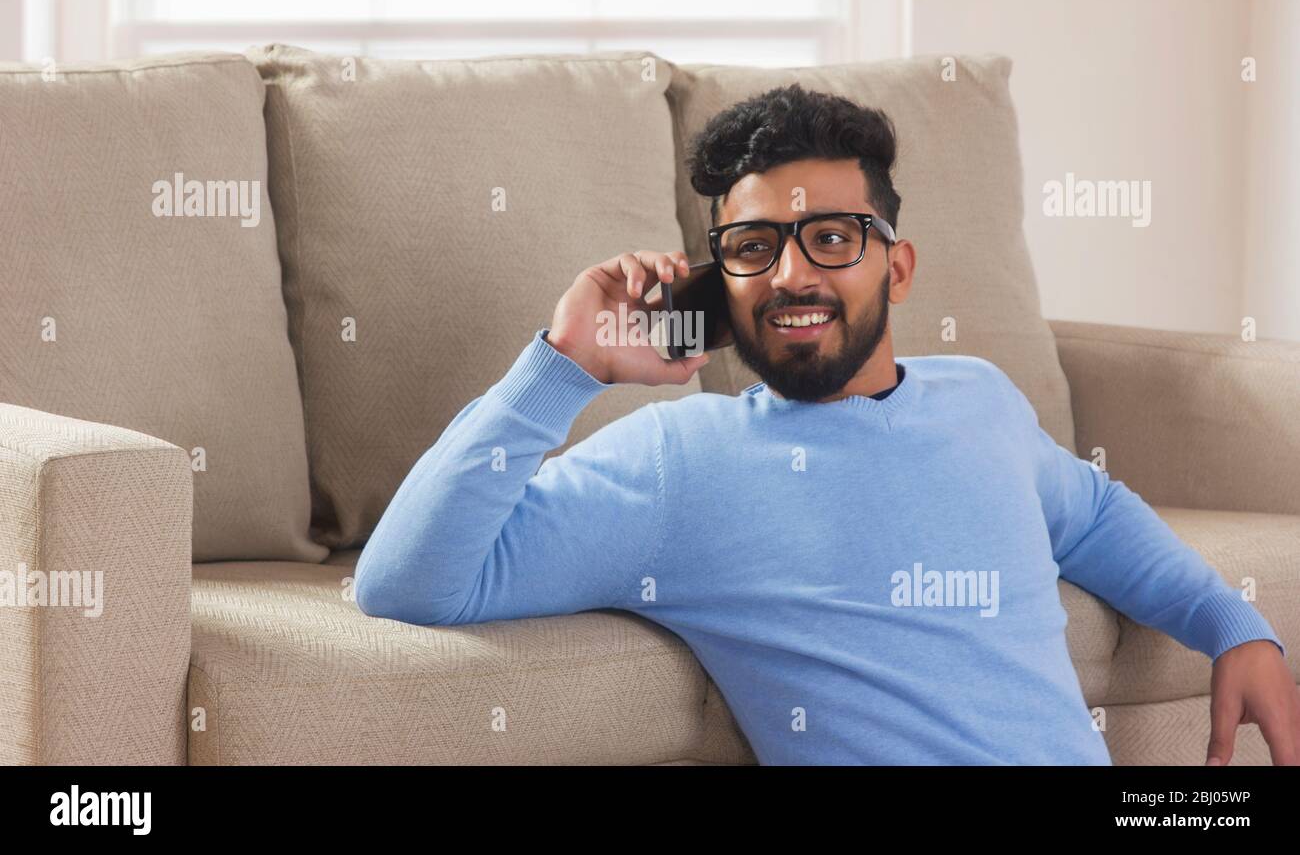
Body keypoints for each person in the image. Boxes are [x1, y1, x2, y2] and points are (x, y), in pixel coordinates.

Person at [354, 83, 1297, 765]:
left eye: (833, 238)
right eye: (753, 246)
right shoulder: (679, 460)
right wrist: (564, 365)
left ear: (899, 266)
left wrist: (1232, 624)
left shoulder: (979, 399)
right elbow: (408, 581)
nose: (793, 275)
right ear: (716, 279)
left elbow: (1090, 514)